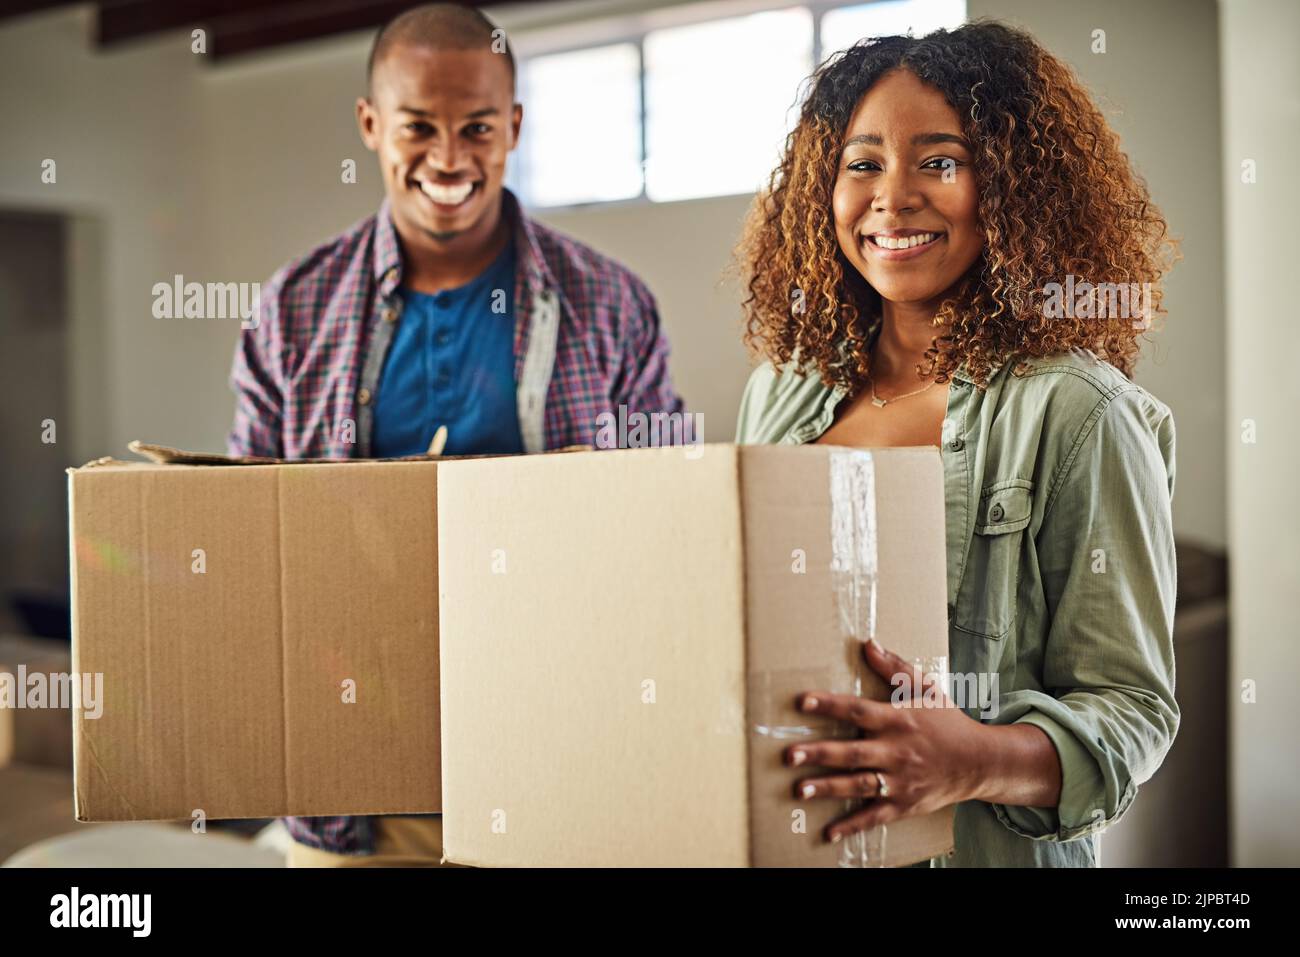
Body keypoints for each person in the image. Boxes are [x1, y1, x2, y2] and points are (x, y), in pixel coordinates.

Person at [227, 3, 684, 866]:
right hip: (349, 786)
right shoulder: (293, 308)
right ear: (369, 125)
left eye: (477, 126)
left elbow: (671, 530)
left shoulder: (614, 304)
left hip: (563, 770)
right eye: (418, 128)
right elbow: (251, 545)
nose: (448, 158)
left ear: (513, 126)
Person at [733, 20, 1180, 867]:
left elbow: (1133, 709)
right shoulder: (779, 390)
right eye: (861, 164)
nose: (891, 197)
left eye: (939, 161)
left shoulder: (1080, 411)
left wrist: (966, 760)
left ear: (1014, 187)